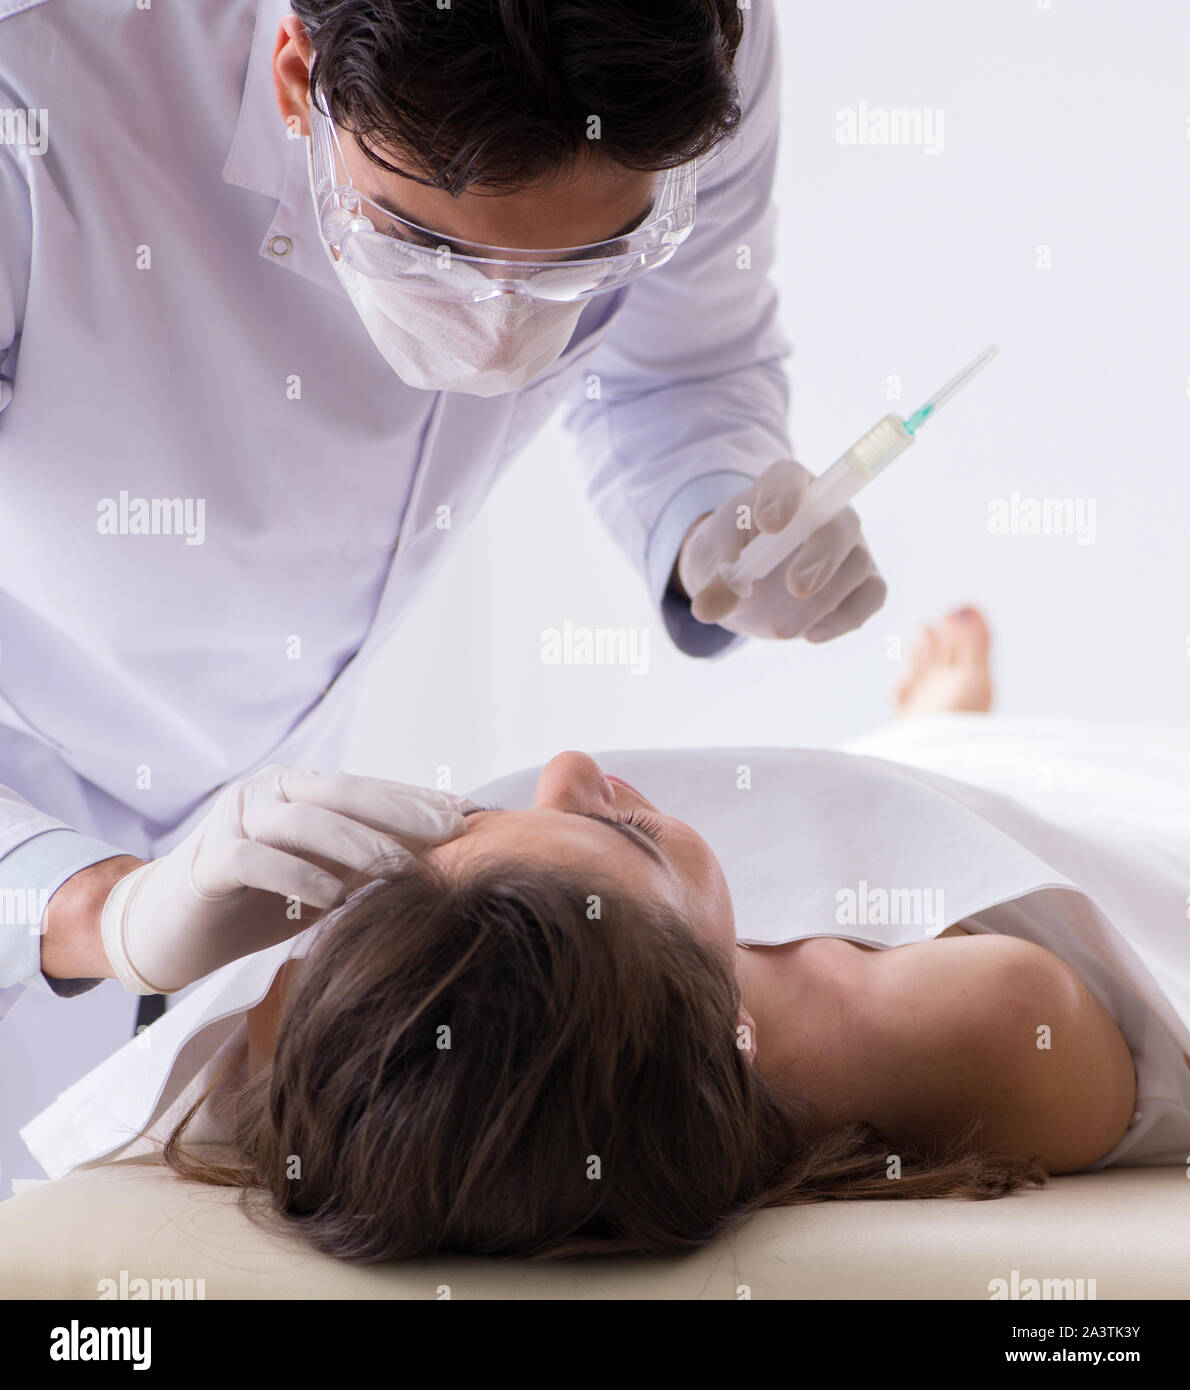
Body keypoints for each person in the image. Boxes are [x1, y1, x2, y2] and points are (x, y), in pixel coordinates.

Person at [0, 1, 885, 1180]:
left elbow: (687, 364)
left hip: (268, 804)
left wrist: (715, 518)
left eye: (584, 261)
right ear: (296, 75)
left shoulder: (692, 47)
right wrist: (94, 910)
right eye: (426, 247)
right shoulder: (36, 106)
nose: (500, 338)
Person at [32, 606, 1185, 1260]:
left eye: (478, 821)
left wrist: (117, 921)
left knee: (890, 769)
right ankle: (937, 743)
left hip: (868, 833)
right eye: (627, 842)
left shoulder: (355, 1056)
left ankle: (916, 741)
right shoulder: (960, 1020)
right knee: (990, 775)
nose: (569, 764)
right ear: (724, 1016)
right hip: (1052, 838)